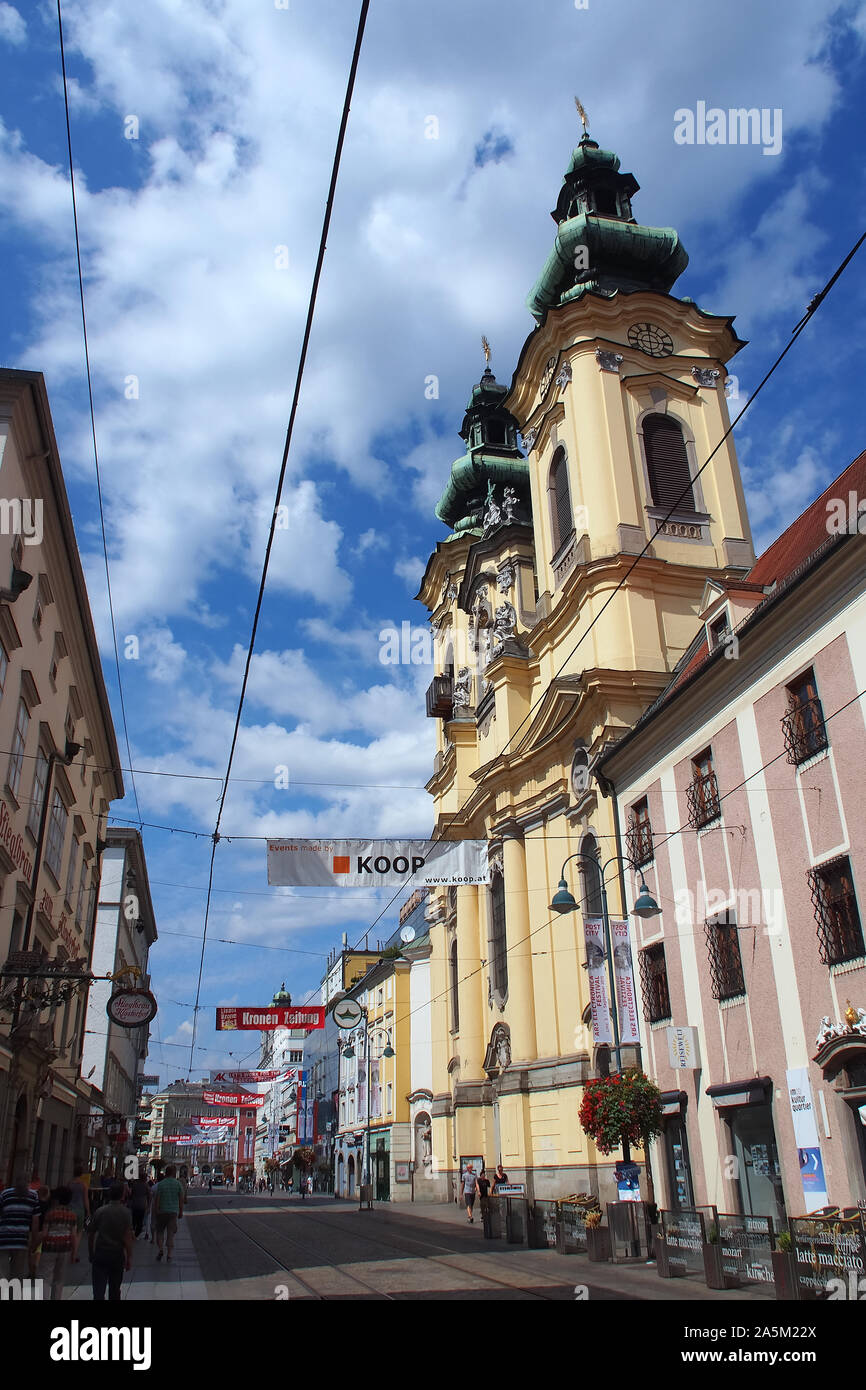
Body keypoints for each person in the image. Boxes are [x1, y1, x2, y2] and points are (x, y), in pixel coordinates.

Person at [88, 1182, 133, 1301]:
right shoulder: (126, 1213)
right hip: (117, 1254)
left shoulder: (100, 1211)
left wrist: (91, 1252)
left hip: (101, 1252)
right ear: (122, 1195)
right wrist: (129, 1257)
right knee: (115, 1288)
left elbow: (91, 1233)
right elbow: (127, 1237)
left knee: (98, 1289)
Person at [36, 1186, 76, 1301]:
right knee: (59, 1279)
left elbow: (44, 1233)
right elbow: (73, 1235)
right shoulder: (72, 1215)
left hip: (50, 1247)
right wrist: (73, 1253)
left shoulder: (50, 1213)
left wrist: (34, 1245)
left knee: (44, 1276)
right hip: (65, 1248)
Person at [0, 1175, 40, 1280]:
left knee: (2, 1272)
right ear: (28, 1183)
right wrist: (34, 1241)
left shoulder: (5, 1194)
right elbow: (35, 1222)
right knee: (17, 1274)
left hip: (4, 1239)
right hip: (21, 1240)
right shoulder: (33, 1196)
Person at [153, 1163, 185, 1262]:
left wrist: (156, 1210)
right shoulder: (177, 1184)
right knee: (170, 1234)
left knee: (160, 1232)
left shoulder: (161, 1184)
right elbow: (181, 1199)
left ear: (166, 1173)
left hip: (162, 1211)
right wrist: (181, 1211)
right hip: (173, 1212)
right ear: (174, 1173)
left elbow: (157, 1199)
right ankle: (169, 1255)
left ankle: (161, 1249)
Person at [68, 1166, 90, 1263]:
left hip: (70, 1209)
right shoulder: (83, 1185)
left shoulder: (69, 1184)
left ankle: (69, 1251)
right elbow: (86, 1199)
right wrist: (88, 1211)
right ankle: (74, 1254)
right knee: (78, 1232)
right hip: (80, 1209)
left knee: (70, 1231)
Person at [128, 1171, 150, 1239]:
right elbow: (149, 1195)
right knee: (140, 1220)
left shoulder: (135, 1184)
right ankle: (136, 1234)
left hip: (134, 1204)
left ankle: (133, 1232)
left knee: (134, 1219)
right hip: (142, 1205)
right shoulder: (146, 1185)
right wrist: (149, 1204)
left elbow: (131, 1194)